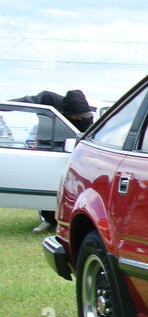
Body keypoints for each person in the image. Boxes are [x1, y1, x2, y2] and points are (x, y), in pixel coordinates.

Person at [9, 89, 95, 231]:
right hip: (47, 144)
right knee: (45, 181)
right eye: (77, 115)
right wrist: (7, 106)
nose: (81, 118)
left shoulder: (86, 117)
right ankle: (48, 219)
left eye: (82, 115)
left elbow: (84, 140)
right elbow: (26, 102)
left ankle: (63, 220)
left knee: (64, 188)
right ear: (68, 111)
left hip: (69, 150)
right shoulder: (49, 99)